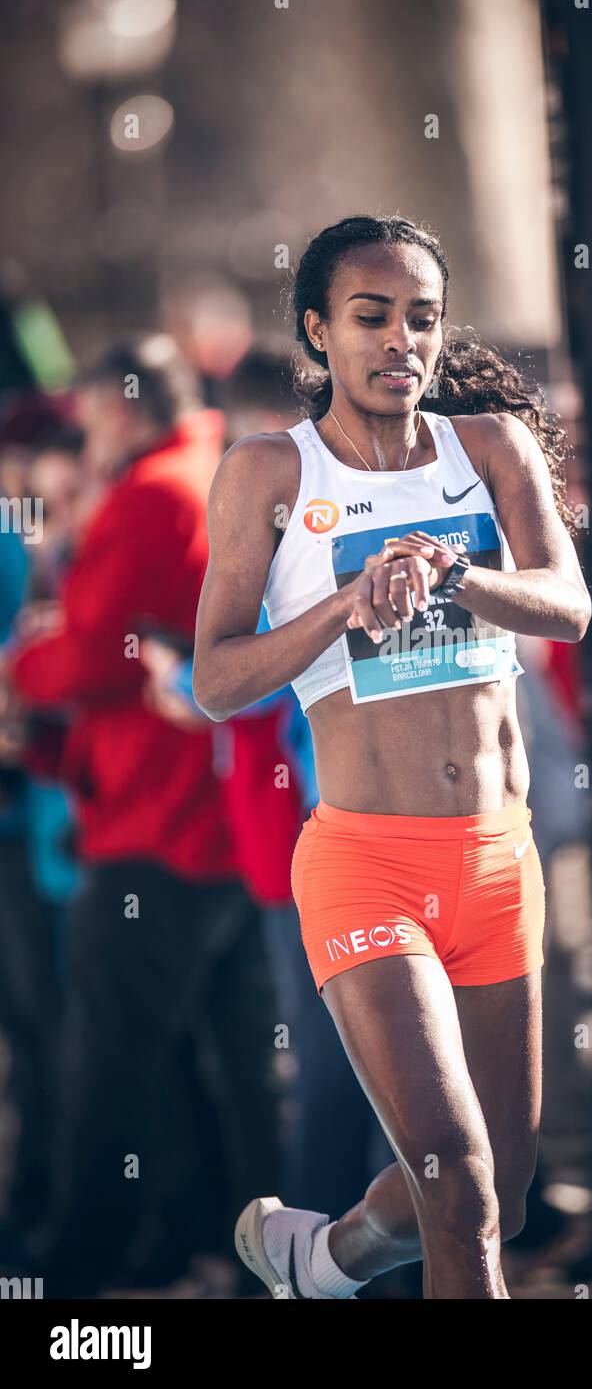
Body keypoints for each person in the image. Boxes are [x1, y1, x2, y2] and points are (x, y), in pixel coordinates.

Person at [193, 214, 591, 1300]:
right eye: (369, 317)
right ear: (318, 330)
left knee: (495, 1200)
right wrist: (342, 605)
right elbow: (217, 681)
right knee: (454, 1187)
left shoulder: (490, 449)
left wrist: (457, 576)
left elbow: (566, 608)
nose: (399, 341)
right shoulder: (269, 469)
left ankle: (317, 1257)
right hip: (366, 863)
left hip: (498, 862)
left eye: (421, 317)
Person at [1, 337, 282, 1295]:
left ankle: (76, 1262)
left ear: (119, 410)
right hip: (211, 819)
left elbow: (96, 656)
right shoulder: (206, 470)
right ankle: (243, 1252)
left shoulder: (156, 490)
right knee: (230, 1065)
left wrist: (21, 666)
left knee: (110, 1063)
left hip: (157, 828)